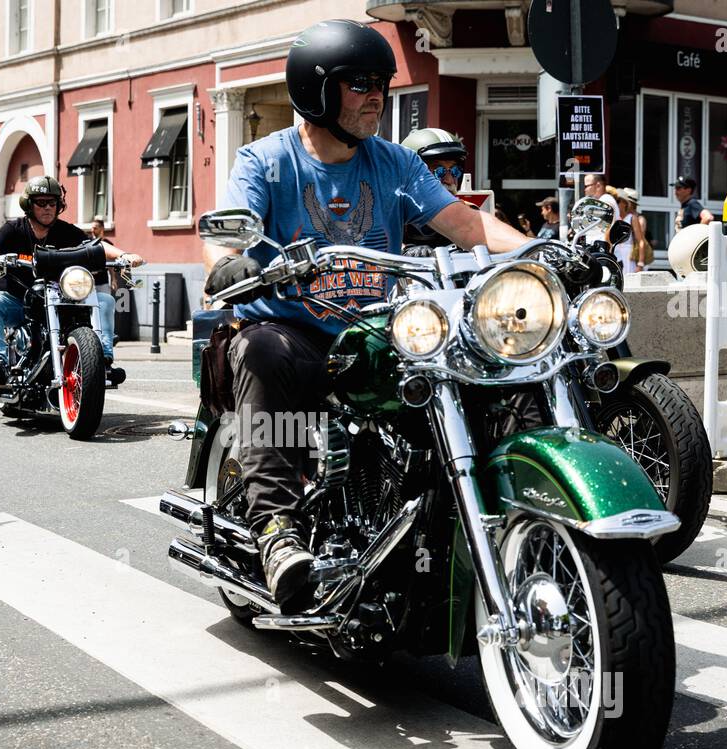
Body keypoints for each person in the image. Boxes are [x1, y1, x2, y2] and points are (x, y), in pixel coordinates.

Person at [202, 18, 528, 611]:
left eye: (381, 81)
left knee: (467, 365)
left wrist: (541, 254)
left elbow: (463, 222)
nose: (376, 94)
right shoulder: (264, 162)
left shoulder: (396, 163)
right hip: (295, 330)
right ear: (317, 90)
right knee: (263, 348)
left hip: (376, 332)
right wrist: (228, 264)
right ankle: (277, 531)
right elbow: (229, 233)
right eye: (359, 83)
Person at [0, 177, 144, 387]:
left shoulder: (66, 231)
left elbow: (95, 247)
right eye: (41, 203)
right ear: (29, 205)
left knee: (105, 300)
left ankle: (104, 359)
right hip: (20, 303)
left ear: (58, 205)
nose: (47, 208)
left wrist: (124, 255)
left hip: (61, 301)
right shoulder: (15, 228)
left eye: (52, 203)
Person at [398, 127, 472, 249]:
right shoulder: (390, 213)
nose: (449, 180)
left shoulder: (468, 212)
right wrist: (404, 250)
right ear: (408, 174)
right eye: (439, 171)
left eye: (454, 171)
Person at [615, 187, 649, 274]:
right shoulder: (615, 217)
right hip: (617, 254)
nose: (615, 204)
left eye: (618, 201)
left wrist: (640, 263)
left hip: (629, 256)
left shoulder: (635, 218)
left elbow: (640, 241)